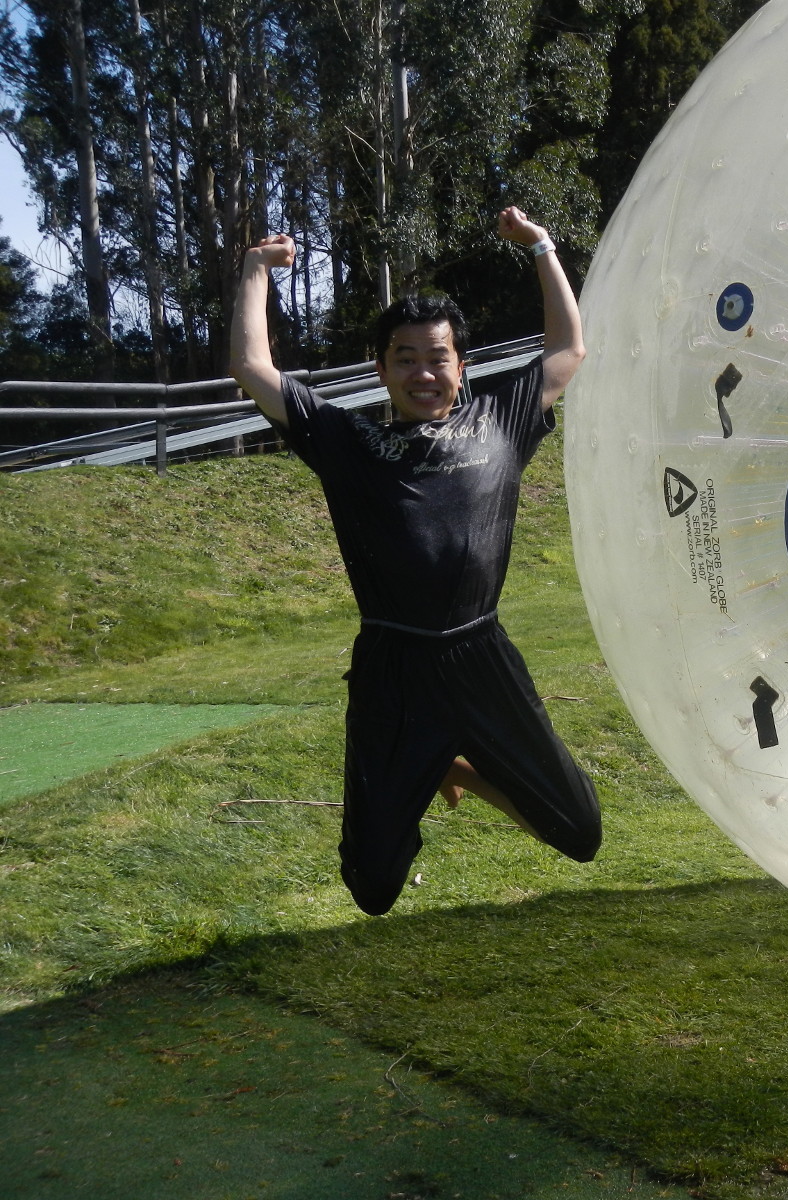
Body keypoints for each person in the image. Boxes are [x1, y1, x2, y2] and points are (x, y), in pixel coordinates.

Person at [229, 206, 601, 915]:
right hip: (393, 669)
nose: (424, 372)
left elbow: (568, 349)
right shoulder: (347, 441)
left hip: (481, 657)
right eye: (406, 358)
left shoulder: (501, 418)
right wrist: (254, 271)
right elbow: (252, 366)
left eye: (439, 357)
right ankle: (438, 763)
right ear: (381, 369)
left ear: (462, 365)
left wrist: (543, 247)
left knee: (580, 834)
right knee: (373, 888)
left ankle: (463, 767)